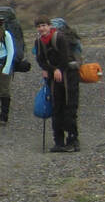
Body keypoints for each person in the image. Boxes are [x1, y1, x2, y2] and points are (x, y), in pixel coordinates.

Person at [34, 16, 80, 152]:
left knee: (69, 107)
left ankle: (73, 141)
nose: (41, 29)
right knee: (56, 108)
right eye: (39, 26)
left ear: (49, 26)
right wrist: (53, 70)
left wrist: (58, 69)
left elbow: (65, 57)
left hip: (69, 76)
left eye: (43, 25)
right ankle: (58, 141)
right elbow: (40, 60)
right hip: (54, 77)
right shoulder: (38, 42)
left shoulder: (59, 38)